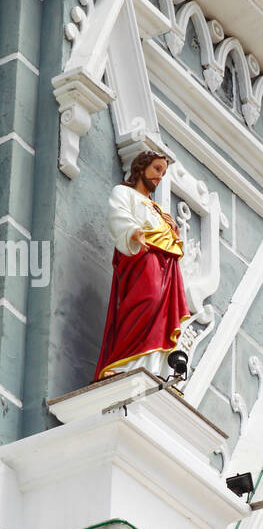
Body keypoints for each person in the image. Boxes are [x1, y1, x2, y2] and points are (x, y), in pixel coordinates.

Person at [93, 151, 190, 381]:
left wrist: (171, 229)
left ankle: (151, 364)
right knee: (147, 300)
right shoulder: (124, 192)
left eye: (163, 173)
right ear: (141, 167)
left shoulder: (158, 210)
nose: (159, 176)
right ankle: (125, 360)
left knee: (162, 313)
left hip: (164, 264)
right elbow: (118, 214)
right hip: (141, 257)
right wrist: (133, 231)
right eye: (157, 169)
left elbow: (167, 236)